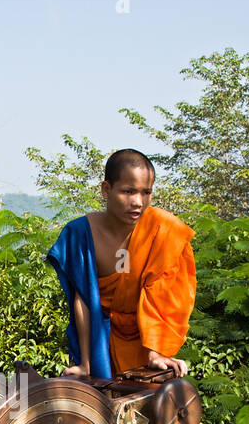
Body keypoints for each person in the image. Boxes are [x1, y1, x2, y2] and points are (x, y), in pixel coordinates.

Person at [46, 149, 197, 379]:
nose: (137, 202)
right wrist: (85, 363)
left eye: (146, 192)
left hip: (144, 342)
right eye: (128, 191)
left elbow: (163, 295)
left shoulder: (162, 230)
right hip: (101, 341)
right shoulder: (82, 234)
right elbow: (83, 300)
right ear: (106, 190)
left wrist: (156, 352)